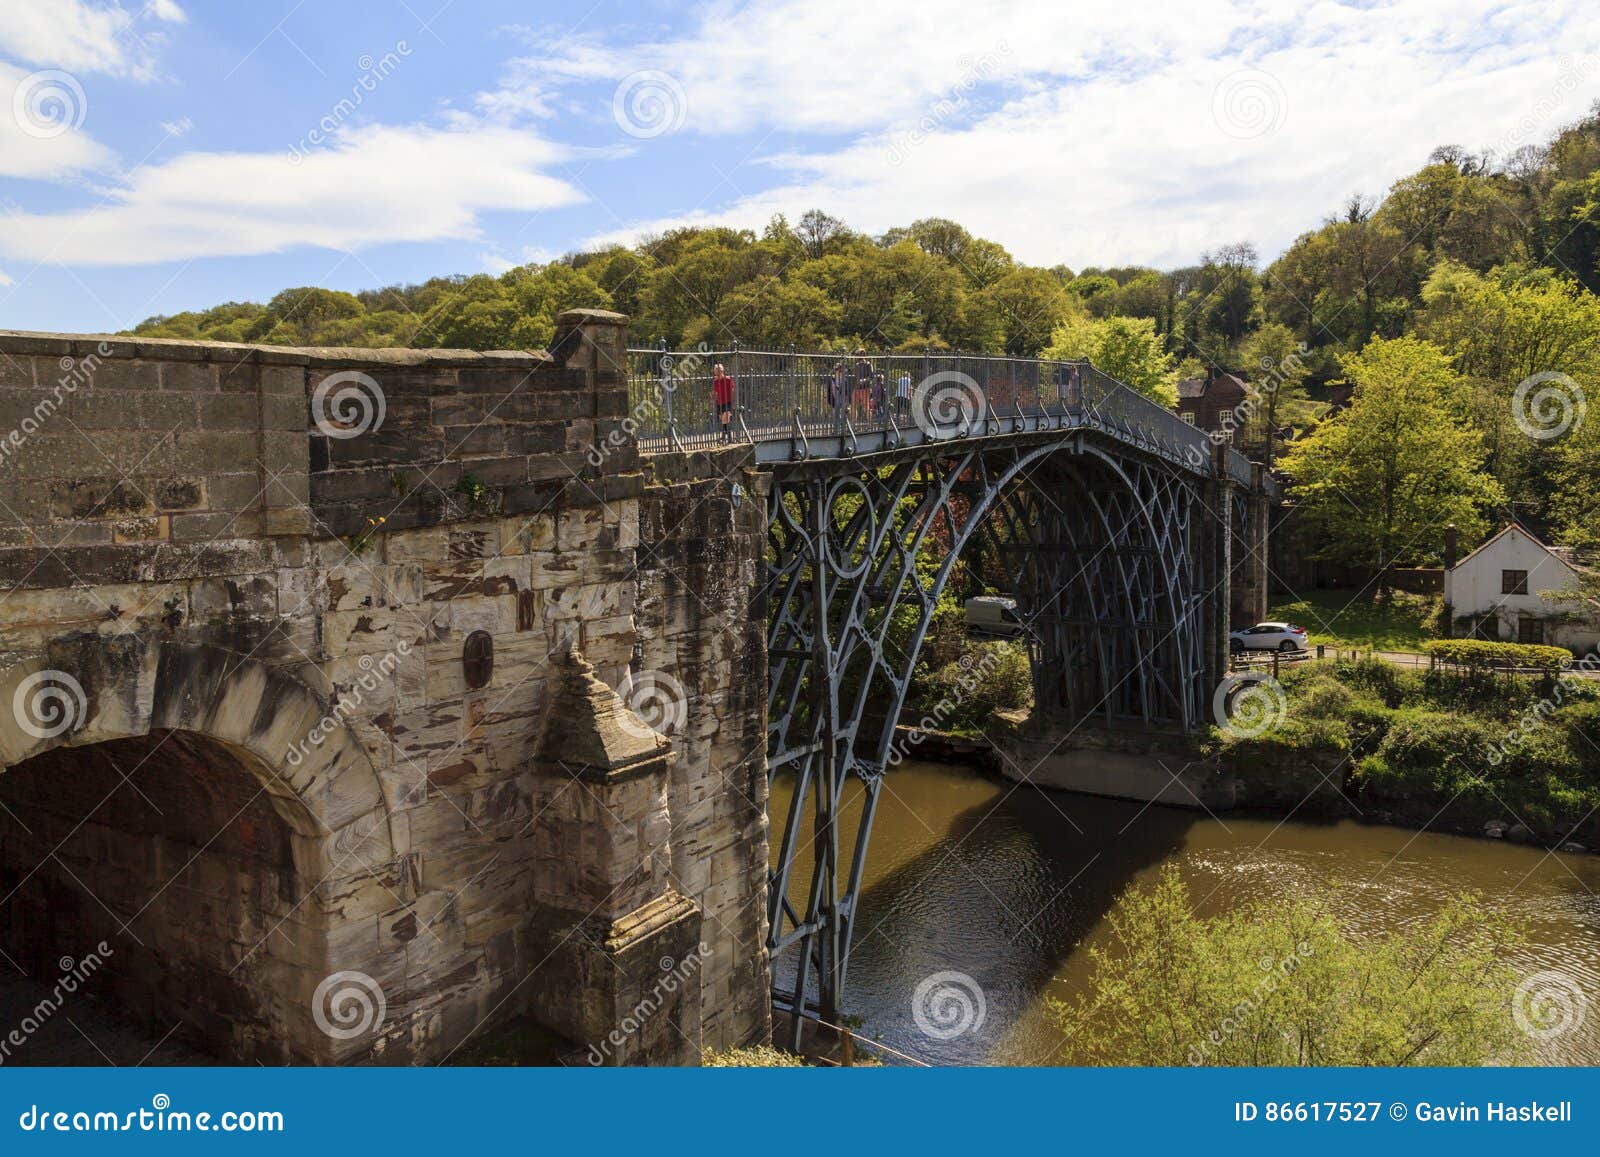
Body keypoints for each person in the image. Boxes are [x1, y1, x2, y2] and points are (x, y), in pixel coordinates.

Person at [712, 363, 735, 443]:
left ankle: (728, 437)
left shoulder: (728, 379)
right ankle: (725, 436)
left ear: (722, 371)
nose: (716, 373)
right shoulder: (715, 381)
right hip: (720, 402)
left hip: (728, 402)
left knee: (726, 417)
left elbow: (732, 391)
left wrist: (733, 402)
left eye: (718, 371)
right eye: (715, 372)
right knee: (724, 420)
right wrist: (712, 400)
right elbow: (714, 392)